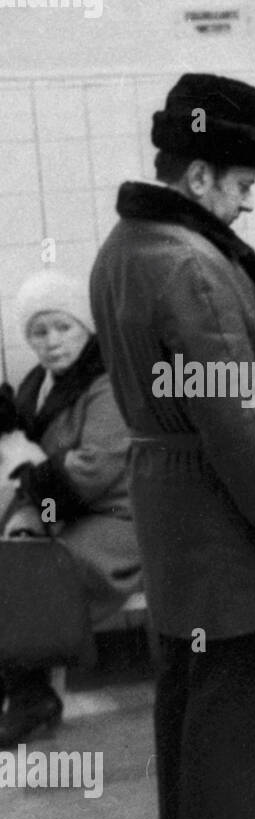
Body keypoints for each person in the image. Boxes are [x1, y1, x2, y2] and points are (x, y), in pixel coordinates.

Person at [90, 73, 255, 819]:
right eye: (242, 184)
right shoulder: (191, 267)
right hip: (216, 496)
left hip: (165, 486)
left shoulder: (124, 248)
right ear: (199, 177)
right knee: (233, 678)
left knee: (188, 677)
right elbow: (240, 423)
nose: (247, 203)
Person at [0, 270, 141, 747]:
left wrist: (33, 497)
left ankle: (30, 697)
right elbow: (27, 464)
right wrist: (25, 512)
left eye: (64, 327)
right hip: (64, 508)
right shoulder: (37, 384)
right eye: (39, 332)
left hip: (118, 518)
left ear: (87, 327)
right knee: (12, 555)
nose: (52, 342)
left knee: (43, 570)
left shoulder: (110, 382)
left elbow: (95, 468)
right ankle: (25, 687)